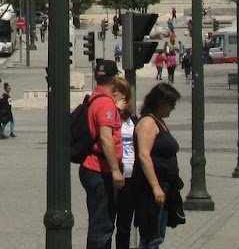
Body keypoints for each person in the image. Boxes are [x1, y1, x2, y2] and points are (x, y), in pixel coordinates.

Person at [128, 82, 186, 248]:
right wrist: (155, 186)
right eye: (171, 104)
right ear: (161, 102)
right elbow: (144, 155)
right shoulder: (147, 123)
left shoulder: (159, 121)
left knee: (156, 235)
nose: (172, 108)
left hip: (166, 185)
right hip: (151, 188)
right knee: (151, 237)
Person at [79, 60, 126, 249]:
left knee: (100, 222)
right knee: (103, 224)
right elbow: (106, 138)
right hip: (100, 169)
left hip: (92, 167)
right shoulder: (106, 103)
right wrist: (115, 170)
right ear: (114, 78)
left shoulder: (95, 97)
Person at [109, 77, 137, 249]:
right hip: (113, 173)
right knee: (107, 221)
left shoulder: (132, 120)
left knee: (125, 224)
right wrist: (115, 112)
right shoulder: (110, 117)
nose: (114, 96)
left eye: (117, 93)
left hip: (130, 174)